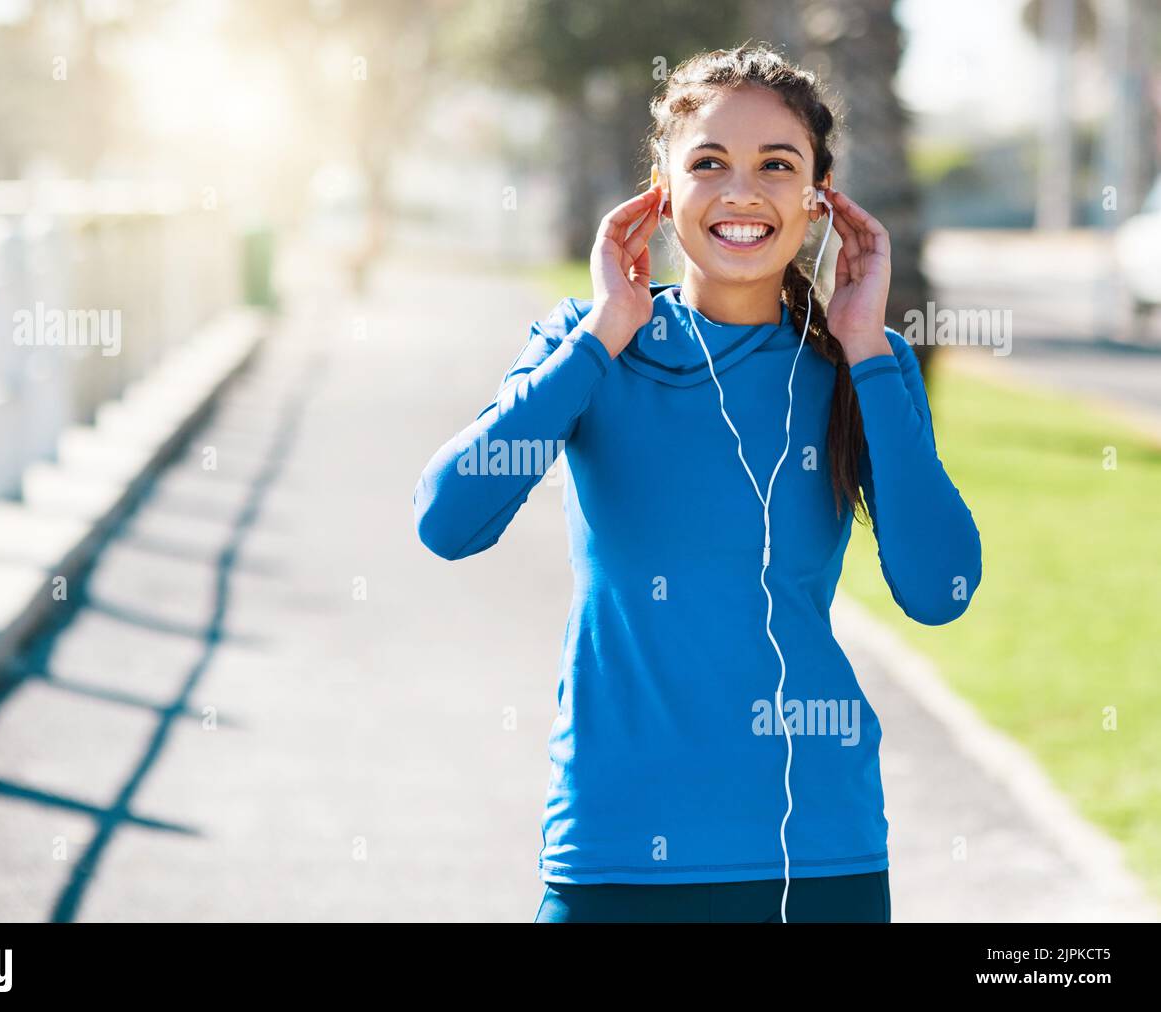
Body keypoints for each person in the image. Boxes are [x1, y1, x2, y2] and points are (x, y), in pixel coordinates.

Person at [413, 43, 982, 923]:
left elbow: (941, 589)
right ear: (661, 188)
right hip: (613, 854)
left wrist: (867, 345)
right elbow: (450, 521)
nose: (742, 191)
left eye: (777, 166)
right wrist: (605, 330)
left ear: (817, 197)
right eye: (708, 162)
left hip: (817, 861)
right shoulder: (587, 343)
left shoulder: (862, 362)